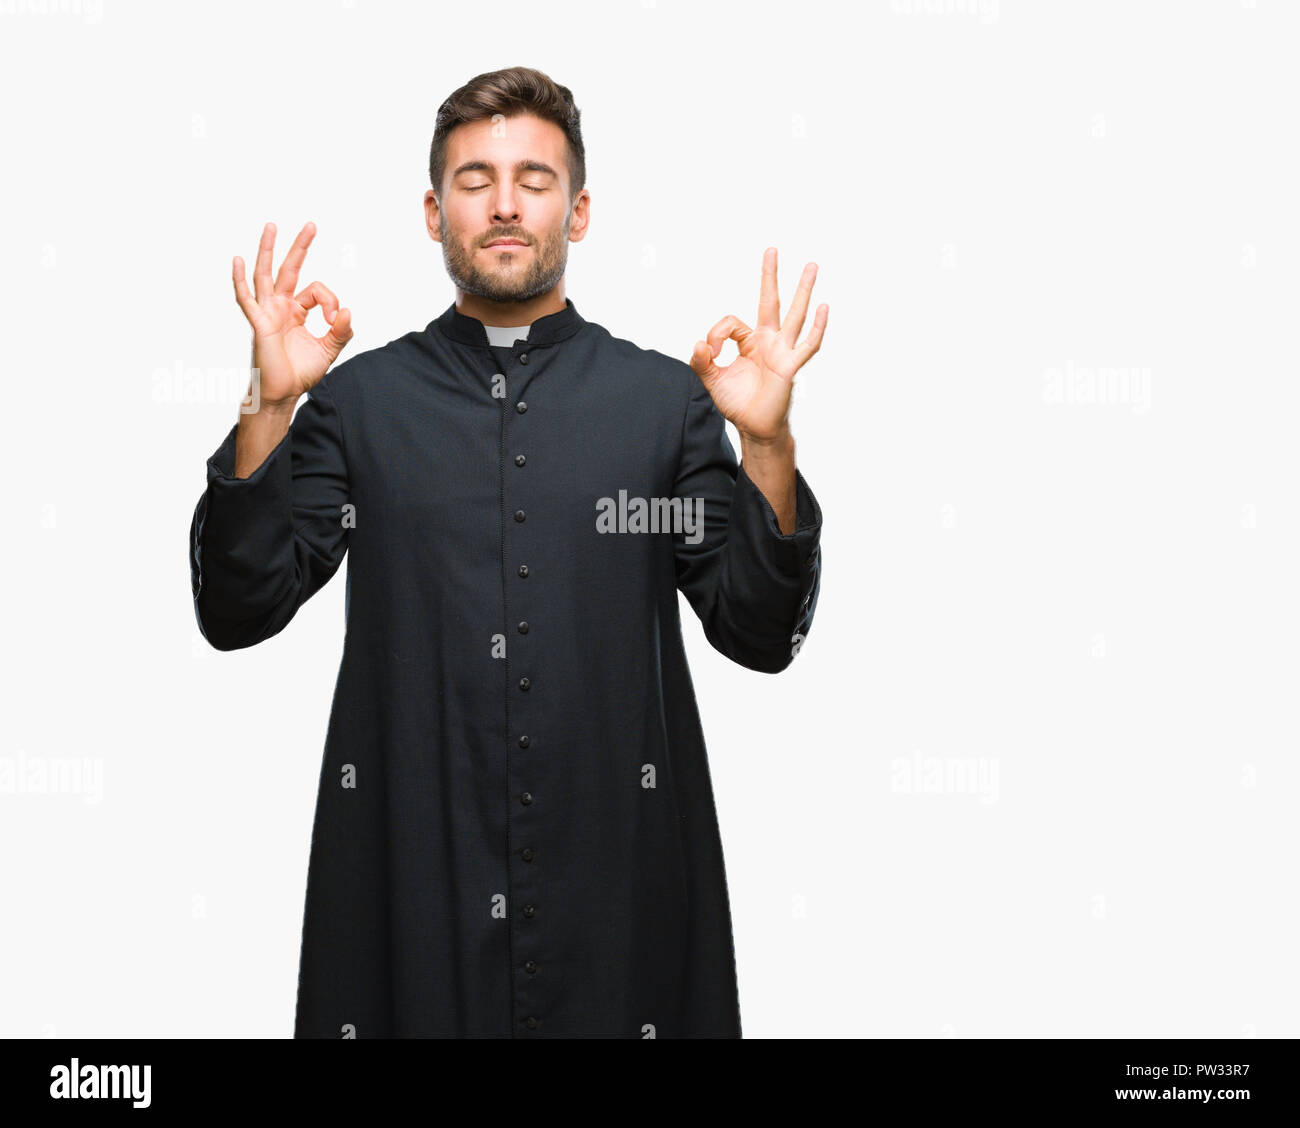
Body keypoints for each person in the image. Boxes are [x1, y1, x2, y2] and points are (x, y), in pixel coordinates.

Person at [189, 65, 827, 1038]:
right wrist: (267, 403)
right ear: (433, 212)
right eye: (474, 179)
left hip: (617, 905)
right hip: (415, 897)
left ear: (578, 212)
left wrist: (767, 446)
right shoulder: (359, 405)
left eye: (534, 179)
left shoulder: (663, 404)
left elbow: (761, 632)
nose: (503, 204)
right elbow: (239, 610)